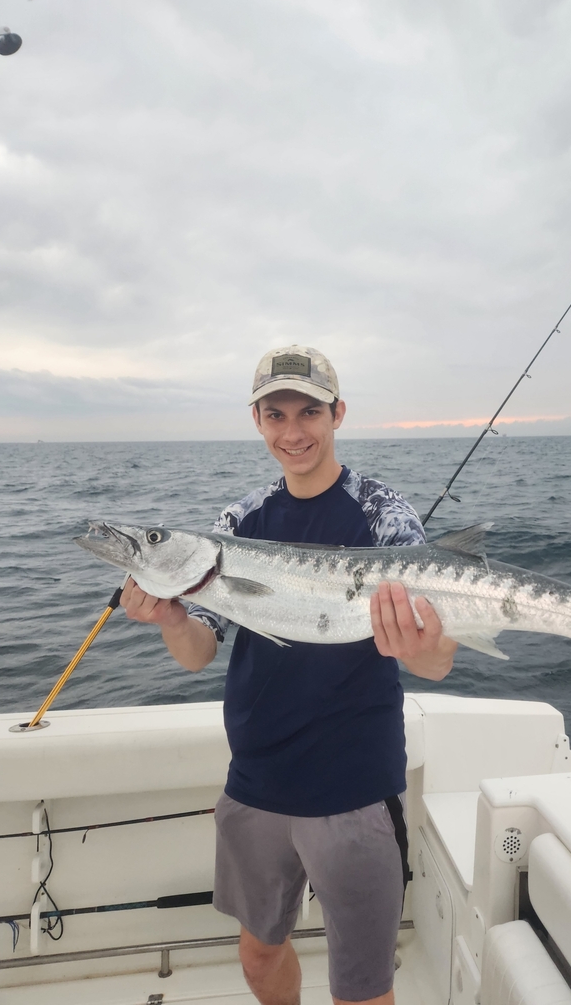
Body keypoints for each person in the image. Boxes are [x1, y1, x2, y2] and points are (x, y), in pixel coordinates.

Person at [121, 345, 456, 1005]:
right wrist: (169, 620)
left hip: (353, 786)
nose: (293, 431)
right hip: (257, 781)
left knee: (361, 988)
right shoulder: (238, 522)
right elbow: (198, 652)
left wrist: (415, 645)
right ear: (257, 421)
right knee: (256, 956)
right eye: (276, 414)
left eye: (310, 411)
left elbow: (437, 661)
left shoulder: (382, 513)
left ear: (338, 414)